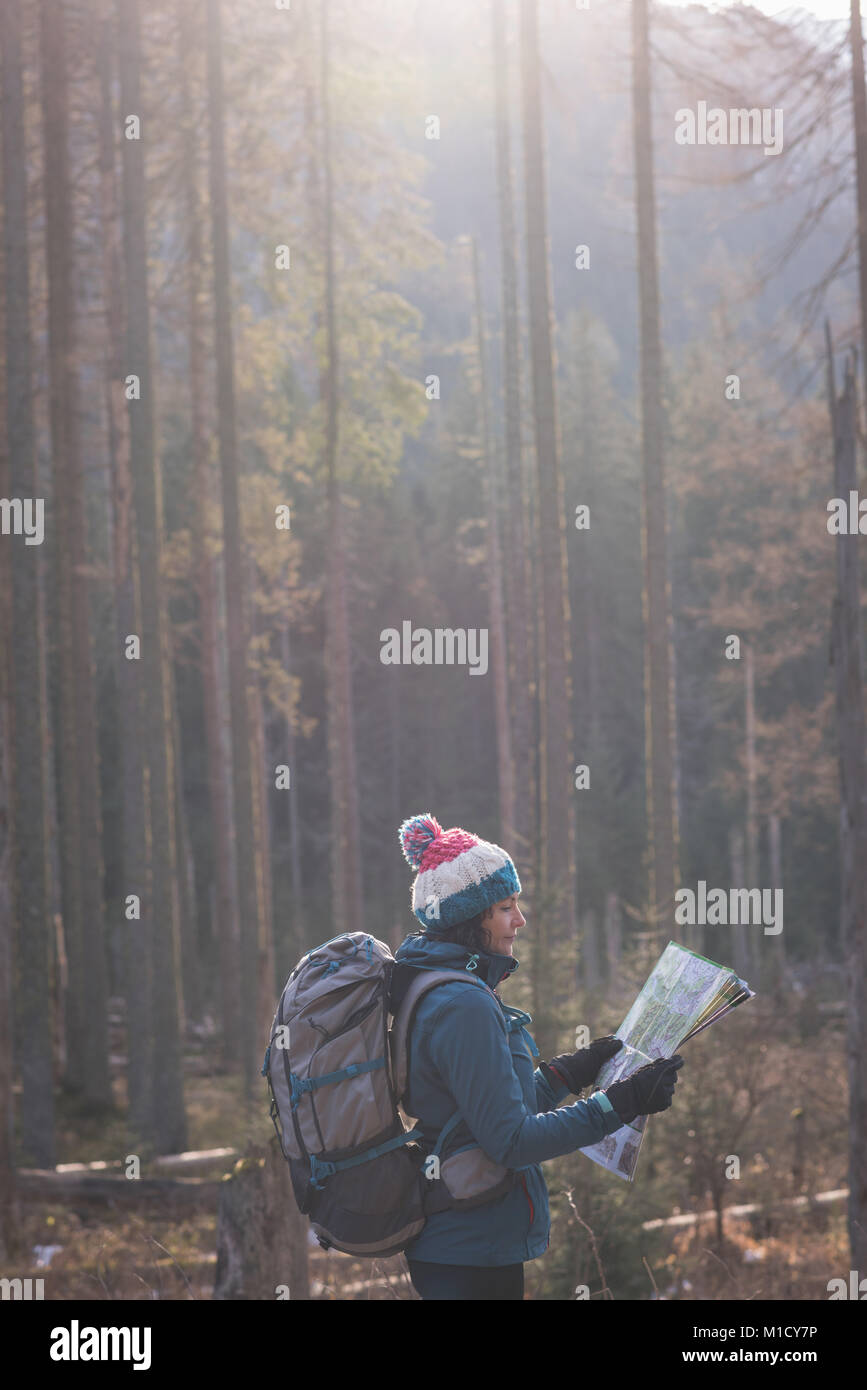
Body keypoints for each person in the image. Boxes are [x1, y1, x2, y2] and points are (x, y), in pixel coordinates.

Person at [390, 812, 684, 1302]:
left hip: (464, 1242)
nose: (520, 920)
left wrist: (573, 1071)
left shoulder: (445, 987)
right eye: (506, 907)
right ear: (470, 918)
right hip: (470, 1250)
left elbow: (485, 1110)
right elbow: (512, 1141)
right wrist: (623, 1102)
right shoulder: (463, 1004)